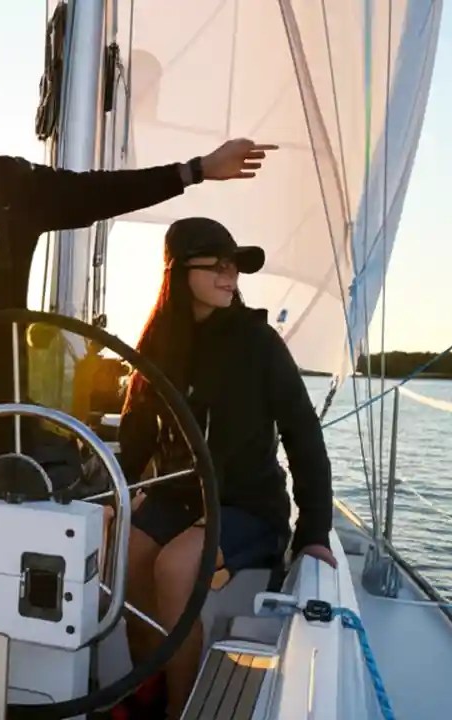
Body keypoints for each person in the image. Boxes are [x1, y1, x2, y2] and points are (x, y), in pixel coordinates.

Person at [0, 67, 278, 560]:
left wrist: (195, 170)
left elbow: (96, 192)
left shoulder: (10, 182)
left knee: (1, 499)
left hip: (0, 382)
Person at [116, 216, 337, 716]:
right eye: (215, 266)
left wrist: (315, 531)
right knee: (123, 551)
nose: (229, 276)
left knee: (175, 568)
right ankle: (147, 682)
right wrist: (111, 488)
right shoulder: (159, 345)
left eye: (234, 267)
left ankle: (181, 707)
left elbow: (303, 435)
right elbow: (138, 433)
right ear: (178, 273)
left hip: (248, 506)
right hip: (178, 498)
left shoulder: (258, 344)